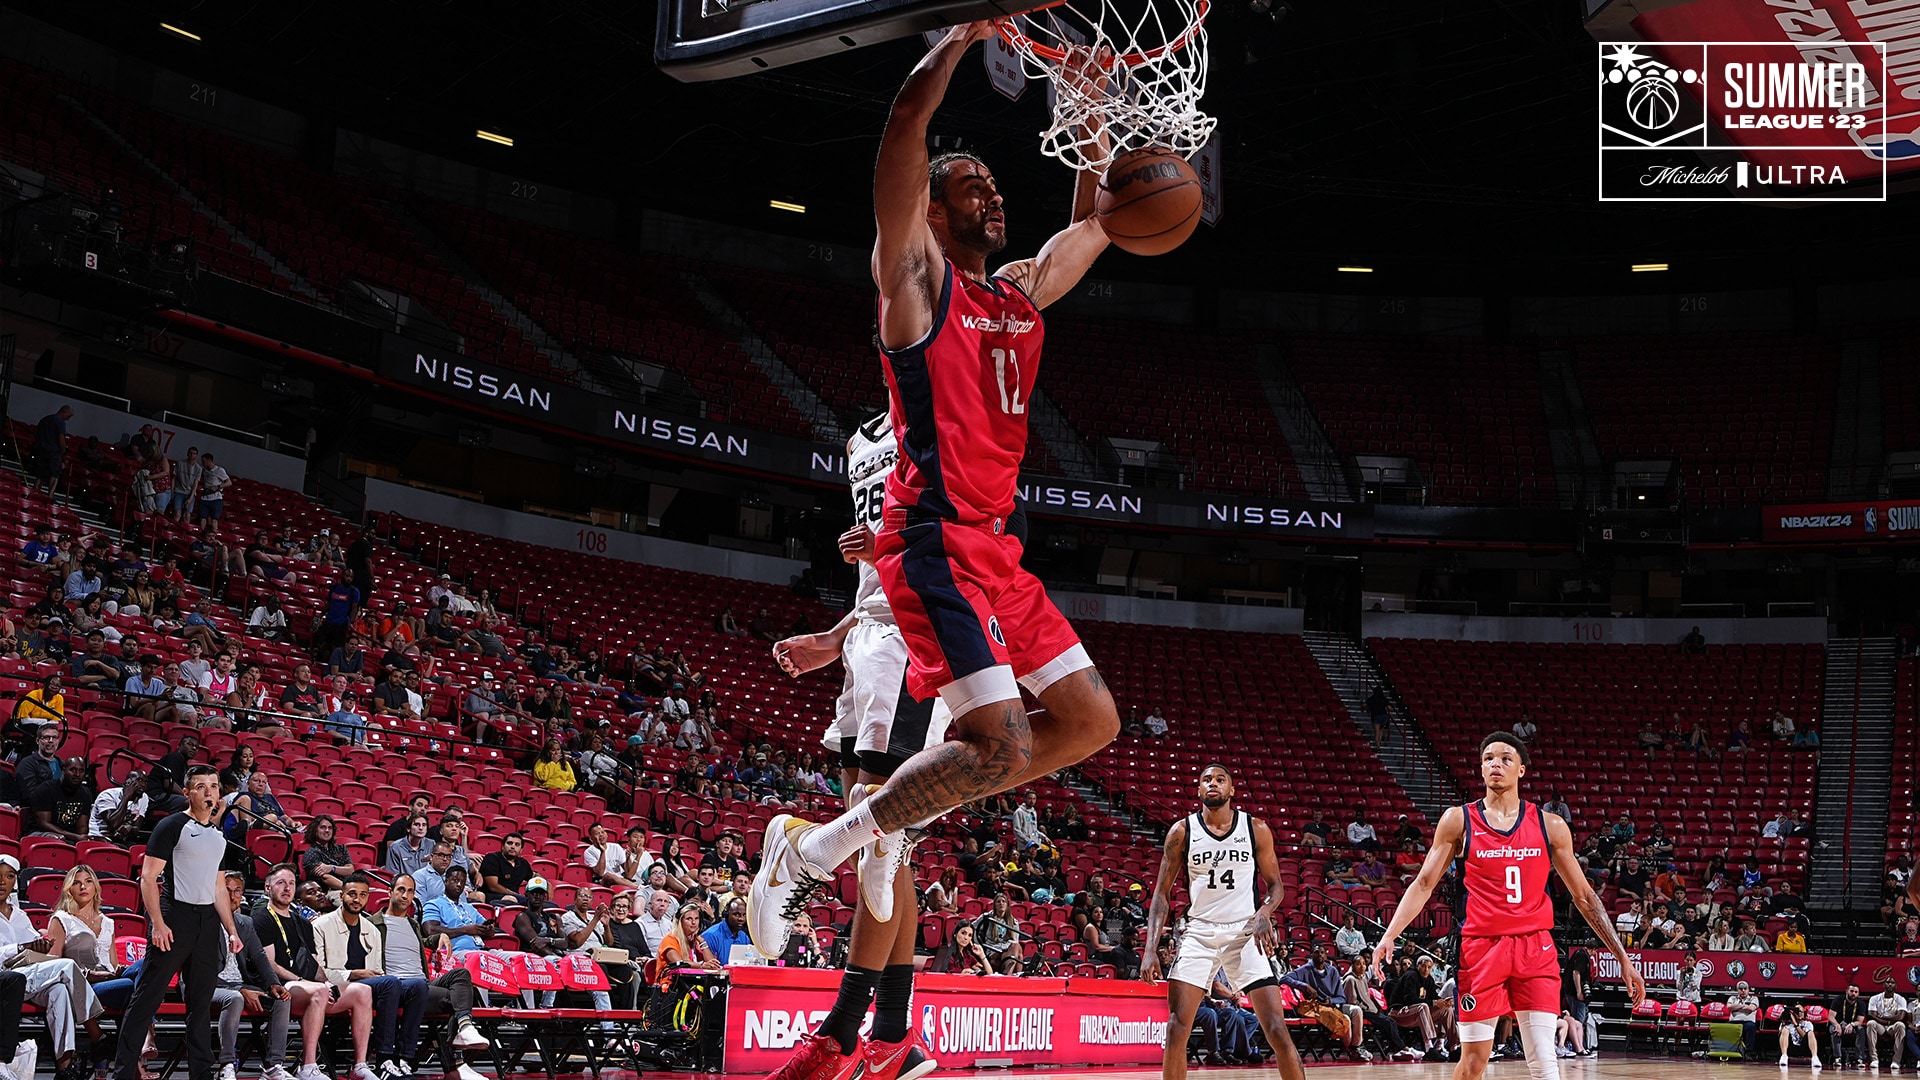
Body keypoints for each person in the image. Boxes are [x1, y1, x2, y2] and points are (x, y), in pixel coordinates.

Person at [750, 21, 1121, 962]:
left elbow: (1097, 222)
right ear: (933, 209)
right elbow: (904, 129)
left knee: (1090, 722)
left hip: (996, 548)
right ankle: (812, 852)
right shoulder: (915, 283)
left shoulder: (1017, 293)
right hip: (933, 540)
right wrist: (960, 36)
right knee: (998, 747)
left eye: (995, 184)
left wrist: (1088, 104)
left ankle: (881, 822)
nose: (992, 194)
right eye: (971, 186)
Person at [757, 414, 972, 1080]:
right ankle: (894, 1035)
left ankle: (841, 1033)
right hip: (870, 633)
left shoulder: (949, 420)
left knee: (884, 831)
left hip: (918, 635)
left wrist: (892, 545)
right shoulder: (860, 441)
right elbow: (880, 576)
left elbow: (979, 537)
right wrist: (835, 635)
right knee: (886, 846)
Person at [1374, 732, 1645, 1080]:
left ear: (1521, 769)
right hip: (1481, 949)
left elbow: (1585, 897)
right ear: (1480, 768)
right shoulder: (1459, 820)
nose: (1495, 764)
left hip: (1535, 947)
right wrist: (1389, 935)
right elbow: (1424, 883)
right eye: (1488, 758)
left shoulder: (1550, 826)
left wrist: (1622, 957)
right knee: (1473, 1064)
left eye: (1505, 758)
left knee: (1544, 1059)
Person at [1140, 765, 1306, 1080]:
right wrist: (1150, 949)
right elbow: (1161, 894)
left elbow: (1276, 886)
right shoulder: (1182, 831)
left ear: (1231, 790)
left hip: (1244, 933)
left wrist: (1264, 913)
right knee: (1176, 1026)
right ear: (1198, 790)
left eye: (1220, 779)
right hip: (1199, 932)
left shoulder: (1255, 828)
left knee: (1276, 1027)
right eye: (1206, 780)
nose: (1212, 783)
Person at [111, 764, 246, 1080]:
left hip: (207, 923)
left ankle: (201, 1074)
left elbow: (218, 887)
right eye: (201, 786)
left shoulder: (218, 836)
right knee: (147, 999)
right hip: (175, 917)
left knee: (200, 1005)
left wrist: (231, 930)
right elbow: (148, 878)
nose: (209, 792)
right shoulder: (171, 826)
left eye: (214, 786)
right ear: (187, 792)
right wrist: (158, 924)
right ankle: (122, 1073)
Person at [312, 874, 413, 1080]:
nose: (357, 899)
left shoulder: (372, 930)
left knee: (413, 986)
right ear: (341, 895)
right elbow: (318, 972)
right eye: (352, 894)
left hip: (365, 989)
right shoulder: (321, 925)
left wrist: (368, 977)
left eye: (363, 895)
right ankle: (384, 1058)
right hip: (334, 986)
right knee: (390, 983)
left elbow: (376, 971)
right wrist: (353, 974)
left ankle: (401, 1059)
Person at [1778, 1002, 1822, 1069]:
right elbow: (1780, 1036)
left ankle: (1815, 1057)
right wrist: (1784, 1023)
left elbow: (1805, 1036)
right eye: (1797, 1011)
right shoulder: (1787, 1024)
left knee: (1811, 1033)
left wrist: (1796, 1024)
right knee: (1785, 1030)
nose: (1800, 1013)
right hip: (1791, 1047)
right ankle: (1784, 1056)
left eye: (1801, 1012)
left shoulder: (1808, 1024)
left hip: (1804, 1047)